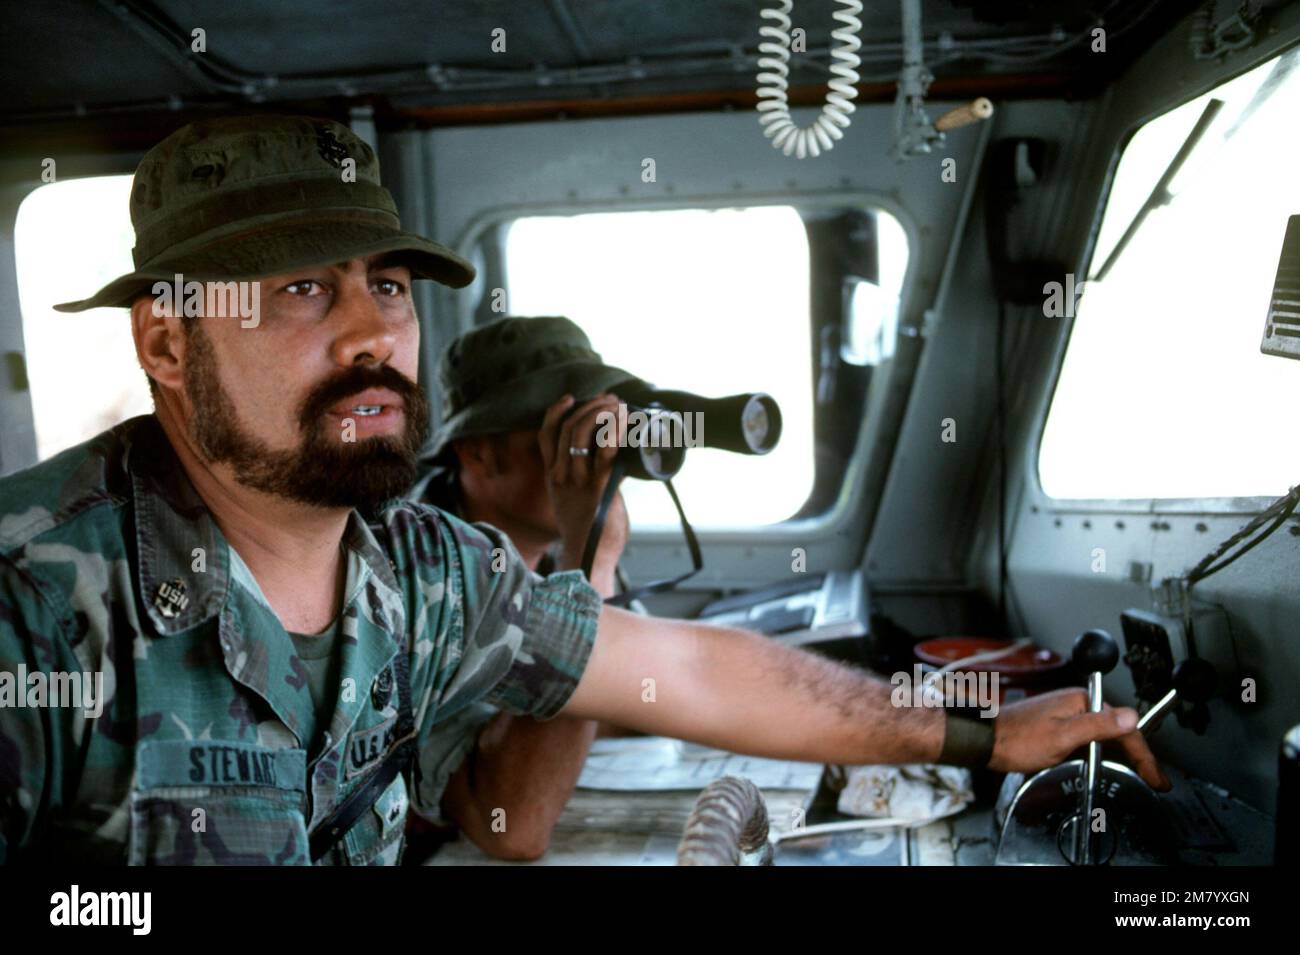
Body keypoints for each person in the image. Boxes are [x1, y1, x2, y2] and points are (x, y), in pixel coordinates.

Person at [0, 115, 1167, 866]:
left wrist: (985, 731)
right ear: (167, 343)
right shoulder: (36, 604)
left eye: (390, 286)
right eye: (305, 289)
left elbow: (688, 665)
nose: (373, 330)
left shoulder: (423, 564)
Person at [406, 316, 640, 860]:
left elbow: (634, 702)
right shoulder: (417, 573)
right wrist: (589, 570)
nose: (588, 459)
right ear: (478, 453)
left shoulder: (562, 538)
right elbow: (511, 822)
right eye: (560, 434)